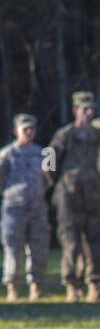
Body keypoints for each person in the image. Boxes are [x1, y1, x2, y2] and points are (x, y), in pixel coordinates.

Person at [0, 113, 50, 301]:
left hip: (37, 209)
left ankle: (36, 287)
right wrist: (11, 193)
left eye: (32, 129)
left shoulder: (44, 153)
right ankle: (13, 288)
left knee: (38, 249)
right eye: (25, 129)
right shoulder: (6, 154)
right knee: (14, 250)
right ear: (16, 131)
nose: (30, 132)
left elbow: (48, 180)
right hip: (14, 210)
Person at [47, 90, 100, 303]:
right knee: (71, 243)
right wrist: (54, 182)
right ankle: (71, 285)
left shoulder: (97, 135)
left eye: (92, 109)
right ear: (75, 110)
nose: (89, 113)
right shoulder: (65, 134)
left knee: (95, 244)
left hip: (94, 196)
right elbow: (48, 158)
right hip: (69, 197)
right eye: (85, 109)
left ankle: (94, 284)